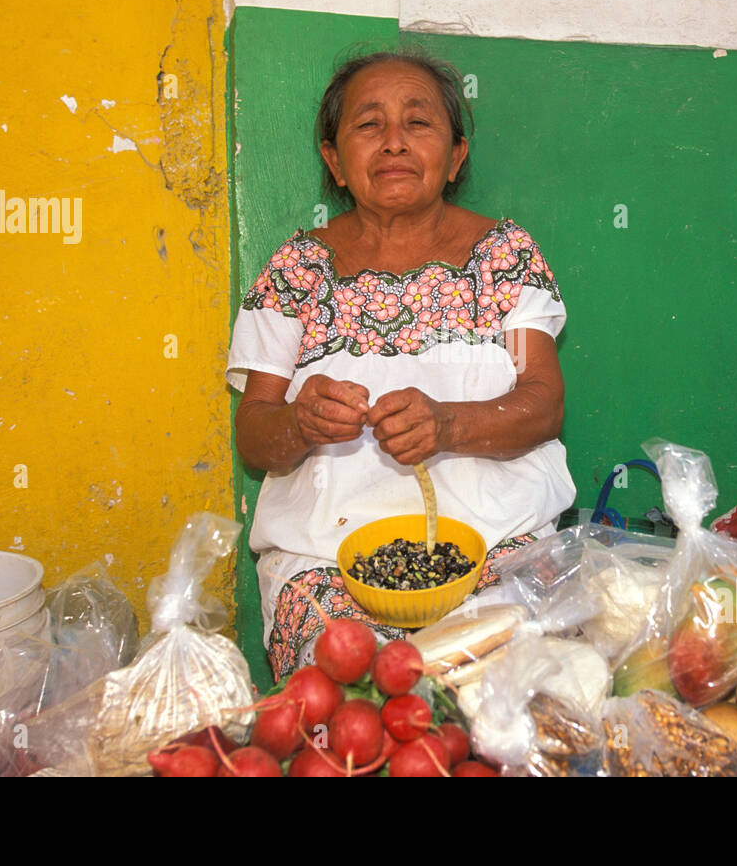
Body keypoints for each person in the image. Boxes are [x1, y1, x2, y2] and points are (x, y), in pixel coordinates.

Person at [226, 45, 576, 681]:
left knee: (514, 697)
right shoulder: (295, 273)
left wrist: (448, 424)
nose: (393, 143)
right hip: (330, 569)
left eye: (418, 123)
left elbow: (542, 402)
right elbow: (254, 435)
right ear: (334, 161)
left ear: (455, 158)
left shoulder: (503, 257)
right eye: (367, 124)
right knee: (356, 706)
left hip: (501, 550)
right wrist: (300, 424)